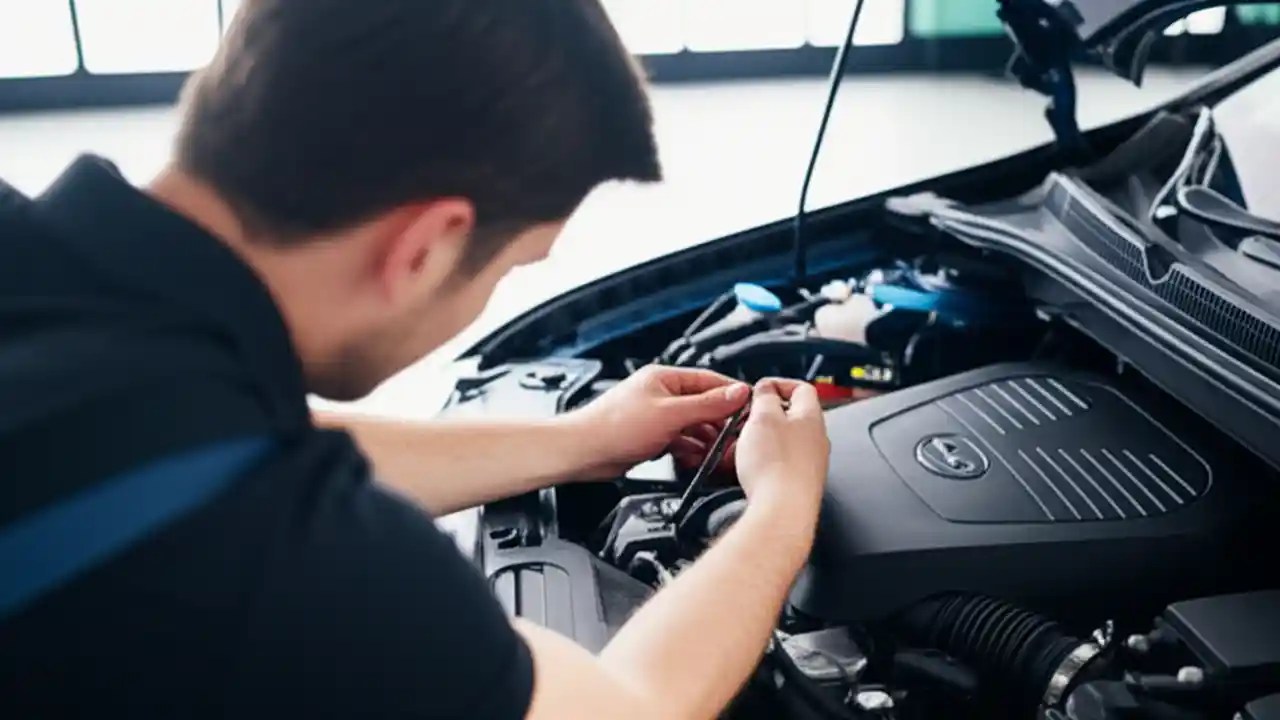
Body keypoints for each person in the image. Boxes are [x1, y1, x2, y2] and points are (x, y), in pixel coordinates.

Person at [0, 1, 831, 718]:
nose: (494, 289)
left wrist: (585, 440)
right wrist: (782, 507)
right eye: (508, 269)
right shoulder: (301, 569)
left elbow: (233, 442)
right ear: (427, 248)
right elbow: (629, 709)